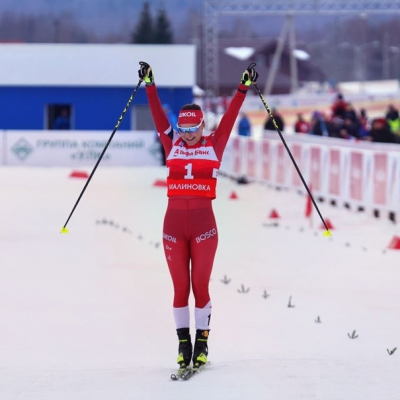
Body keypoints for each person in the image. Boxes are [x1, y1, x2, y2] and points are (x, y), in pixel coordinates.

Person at [138, 61, 258, 372]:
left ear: (203, 126)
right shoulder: (172, 143)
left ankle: (202, 343)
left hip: (204, 227)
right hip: (173, 227)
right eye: (184, 129)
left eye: (193, 129)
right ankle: (183, 345)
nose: (188, 135)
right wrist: (150, 84)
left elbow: (231, 118)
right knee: (180, 289)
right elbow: (158, 117)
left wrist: (242, 88)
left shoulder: (215, 145)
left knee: (200, 286)